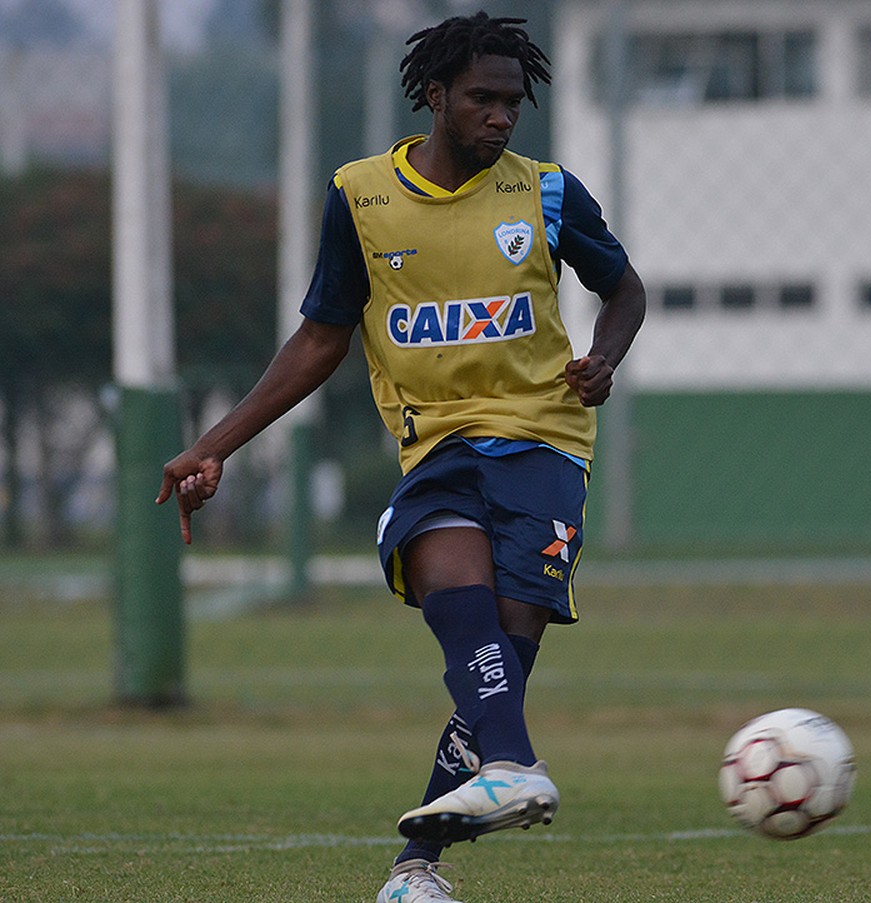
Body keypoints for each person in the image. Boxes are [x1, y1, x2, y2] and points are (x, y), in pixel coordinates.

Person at [156, 11, 645, 903]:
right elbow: (319, 339)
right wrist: (212, 446)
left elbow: (624, 288)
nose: (502, 117)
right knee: (455, 606)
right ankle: (494, 786)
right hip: (438, 444)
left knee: (494, 667)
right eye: (483, 99)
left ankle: (421, 863)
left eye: (513, 102)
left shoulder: (547, 193)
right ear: (435, 95)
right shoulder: (361, 194)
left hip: (543, 442)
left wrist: (603, 359)